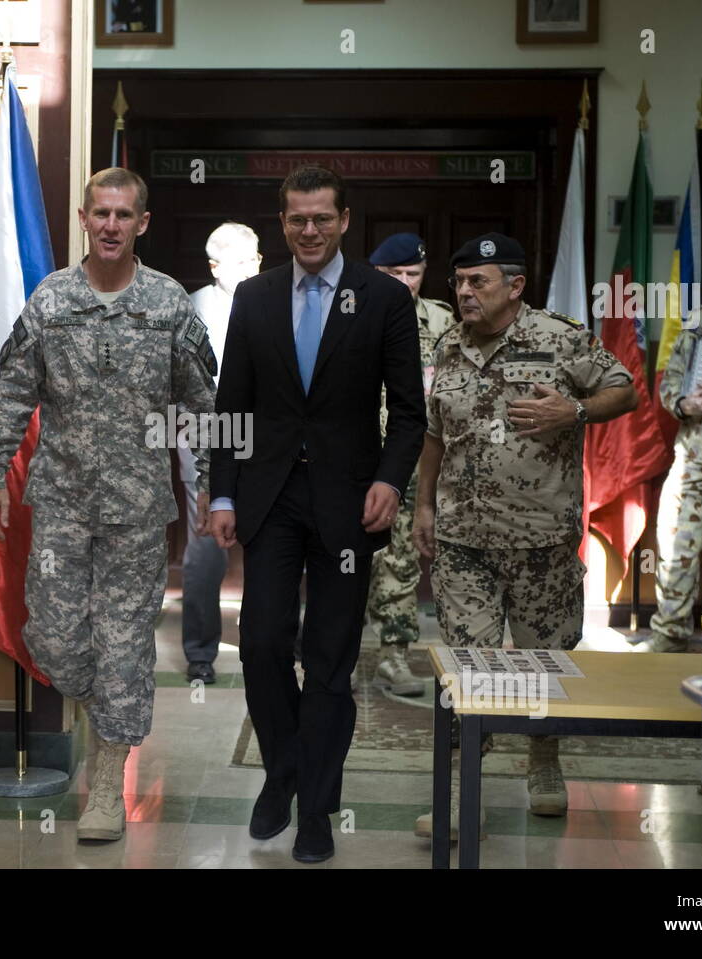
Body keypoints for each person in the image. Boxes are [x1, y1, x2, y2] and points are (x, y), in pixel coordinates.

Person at [0, 167, 217, 844]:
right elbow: (12, 391)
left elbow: (205, 405)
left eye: (123, 214)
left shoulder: (169, 305)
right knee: (54, 639)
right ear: (84, 219)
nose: (110, 224)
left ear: (142, 222)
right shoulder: (51, 300)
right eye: (99, 213)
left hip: (138, 512)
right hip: (60, 506)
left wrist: (215, 482)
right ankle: (101, 718)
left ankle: (105, 786)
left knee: (123, 645)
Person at [210, 165, 425, 863]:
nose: (309, 229)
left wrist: (391, 481)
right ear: (283, 223)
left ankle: (315, 812)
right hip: (269, 500)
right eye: (297, 218)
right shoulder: (255, 297)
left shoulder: (384, 299)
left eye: (321, 218)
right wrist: (221, 493)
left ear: (343, 220)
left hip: (348, 504)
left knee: (328, 662)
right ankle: (286, 770)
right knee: (264, 643)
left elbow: (410, 412)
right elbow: (231, 408)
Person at [412, 233, 637, 840]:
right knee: (470, 667)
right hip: (464, 539)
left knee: (544, 661)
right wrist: (424, 505)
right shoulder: (446, 344)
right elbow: (434, 432)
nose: (464, 292)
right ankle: (463, 792)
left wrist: (576, 412)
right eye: (458, 282)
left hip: (540, 539)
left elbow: (625, 388)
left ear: (515, 286)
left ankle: (543, 760)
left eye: (477, 281)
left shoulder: (560, 338)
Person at [361, 232, 457, 696]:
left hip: (415, 458)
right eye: (393, 274)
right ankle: (330, 654)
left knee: (401, 559)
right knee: (350, 555)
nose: (404, 283)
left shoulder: (441, 320)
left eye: (412, 274)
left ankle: (393, 657)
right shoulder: (350, 311)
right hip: (358, 457)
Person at [181, 223, 261, 684]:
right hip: (206, 434)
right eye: (239, 262)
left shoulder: (274, 300)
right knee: (207, 547)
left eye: (254, 259)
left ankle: (265, 640)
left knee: (270, 540)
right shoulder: (194, 308)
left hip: (264, 434)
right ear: (214, 267)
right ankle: (200, 651)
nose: (251, 269)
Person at [636, 246, 702, 653]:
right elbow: (670, 385)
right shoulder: (698, 321)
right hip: (695, 455)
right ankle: (670, 633)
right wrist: (685, 405)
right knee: (673, 541)